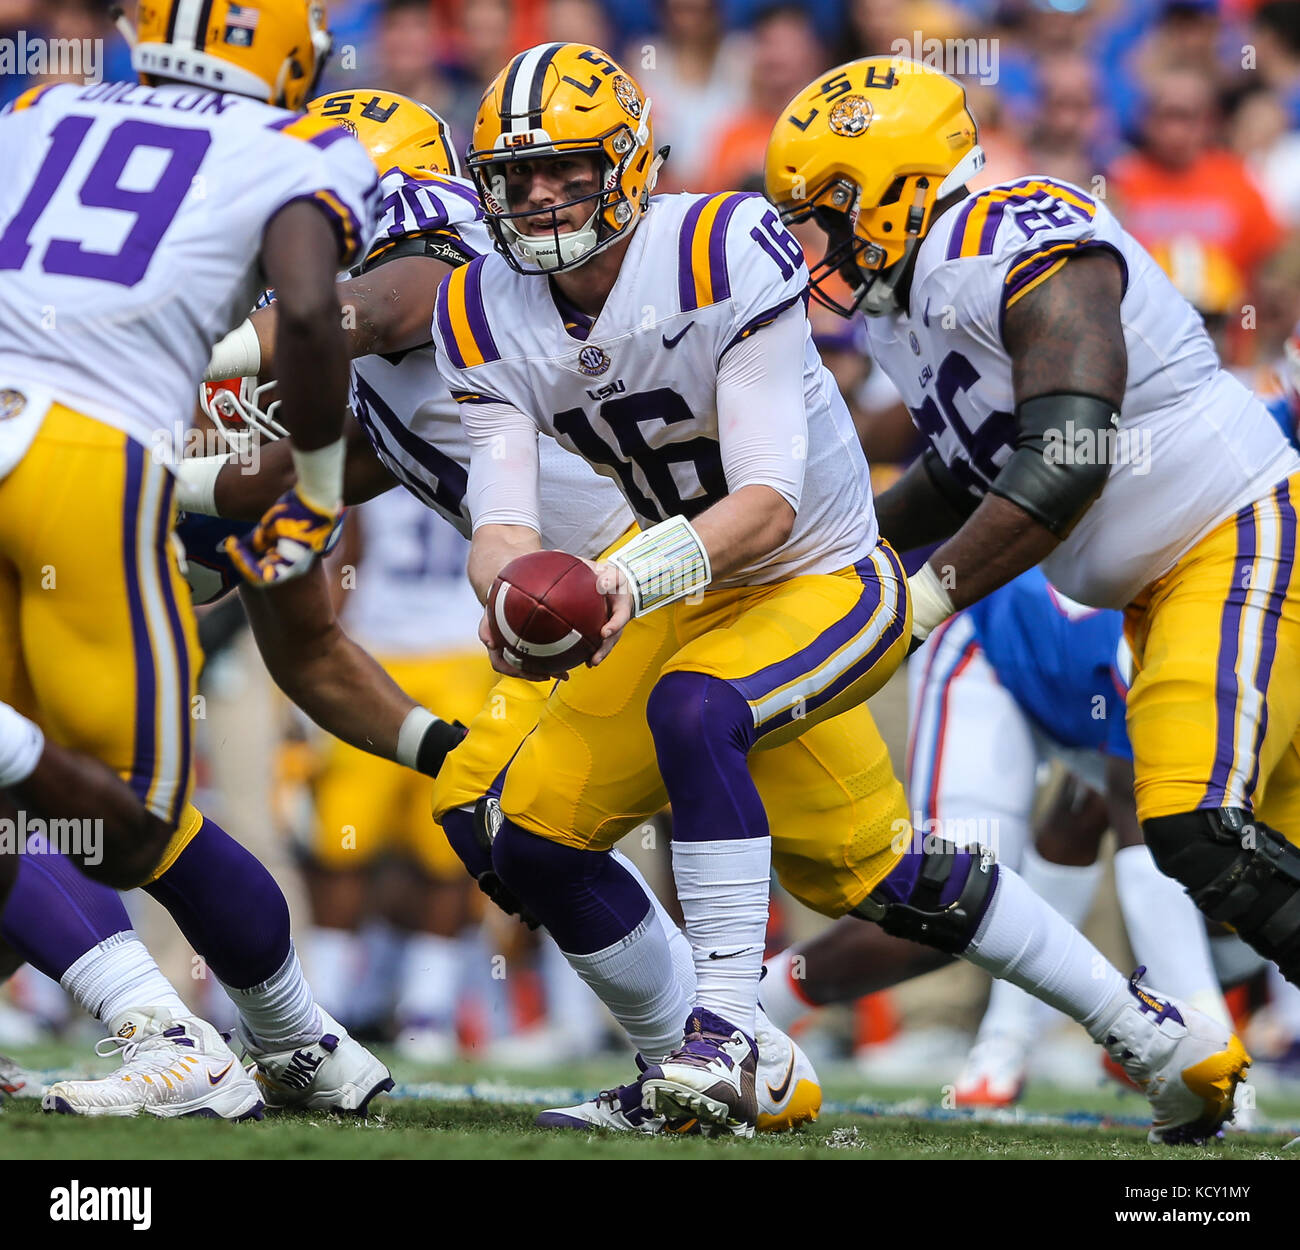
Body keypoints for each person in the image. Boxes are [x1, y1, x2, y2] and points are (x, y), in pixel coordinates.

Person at [428, 42, 1248, 1141]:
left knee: (695, 707)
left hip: (816, 571)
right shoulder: (480, 308)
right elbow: (500, 520)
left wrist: (614, 577)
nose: (535, 196)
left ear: (625, 163)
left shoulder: (718, 247)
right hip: (686, 591)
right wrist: (511, 597)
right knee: (552, 844)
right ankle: (1152, 1034)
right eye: (513, 176)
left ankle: (719, 1039)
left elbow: (765, 499)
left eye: (562, 168)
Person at [765, 56, 1300, 999]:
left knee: (1195, 831)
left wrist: (919, 602)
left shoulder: (1007, 237)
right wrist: (842, 556)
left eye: (833, 209)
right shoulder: (915, 297)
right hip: (1166, 584)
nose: (826, 242)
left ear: (895, 189)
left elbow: (1069, 454)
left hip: (1236, 530)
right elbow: (970, 465)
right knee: (1253, 857)